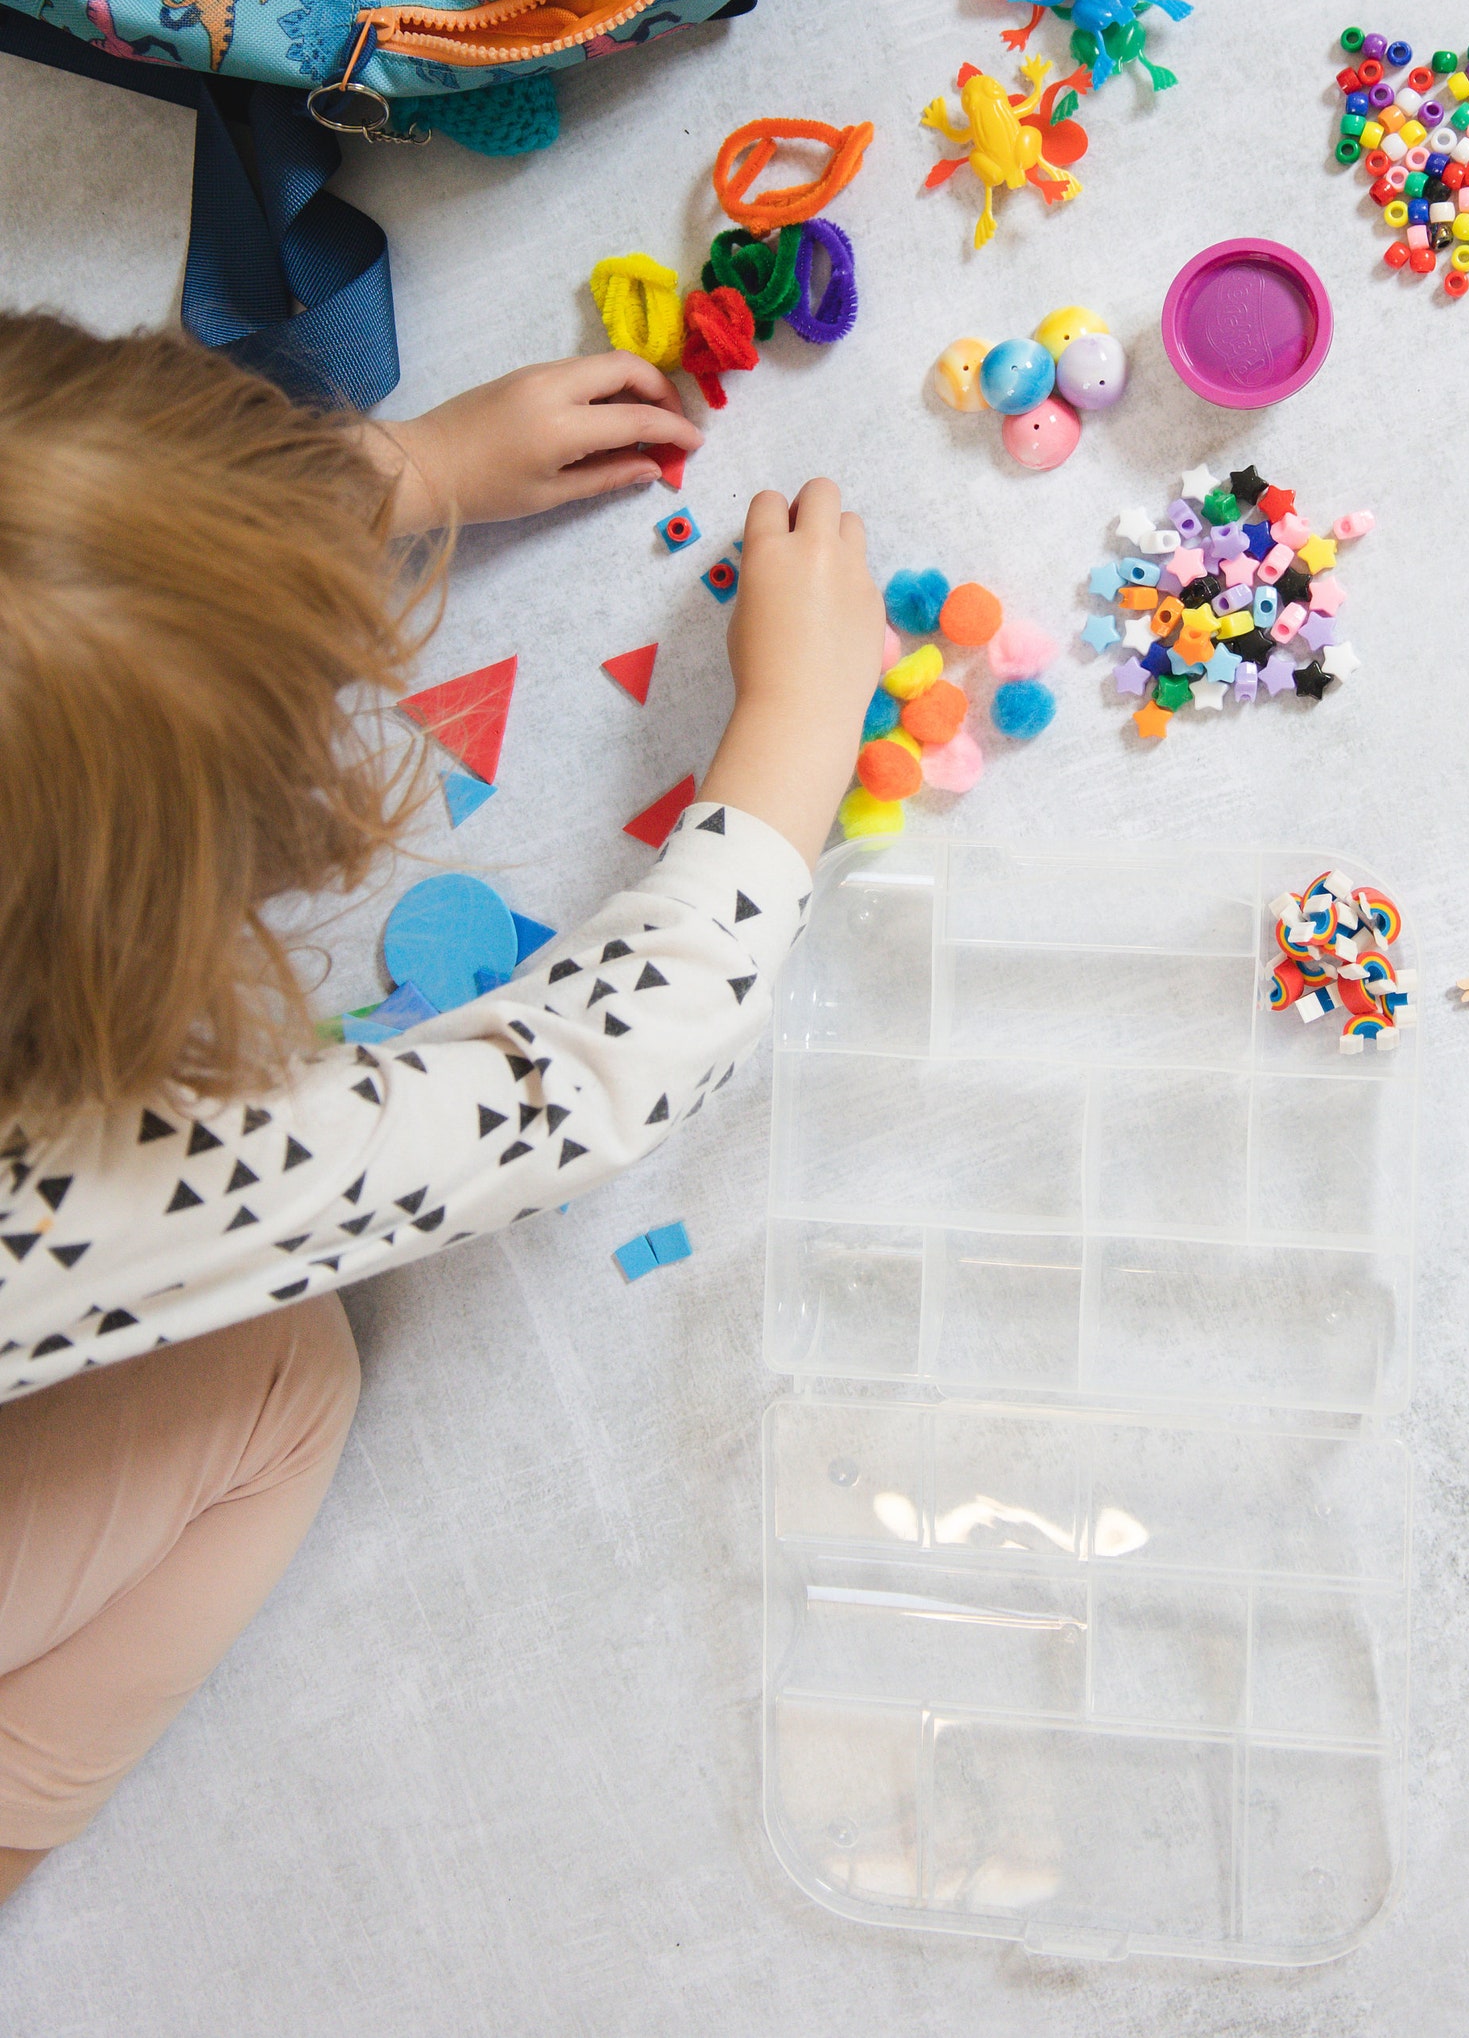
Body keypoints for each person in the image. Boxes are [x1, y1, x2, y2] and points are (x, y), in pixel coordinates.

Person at [0, 313, 882, 1900]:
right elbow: (576, 1091)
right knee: (276, 1372)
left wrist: (407, 473)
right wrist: (792, 742)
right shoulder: (92, 1192)